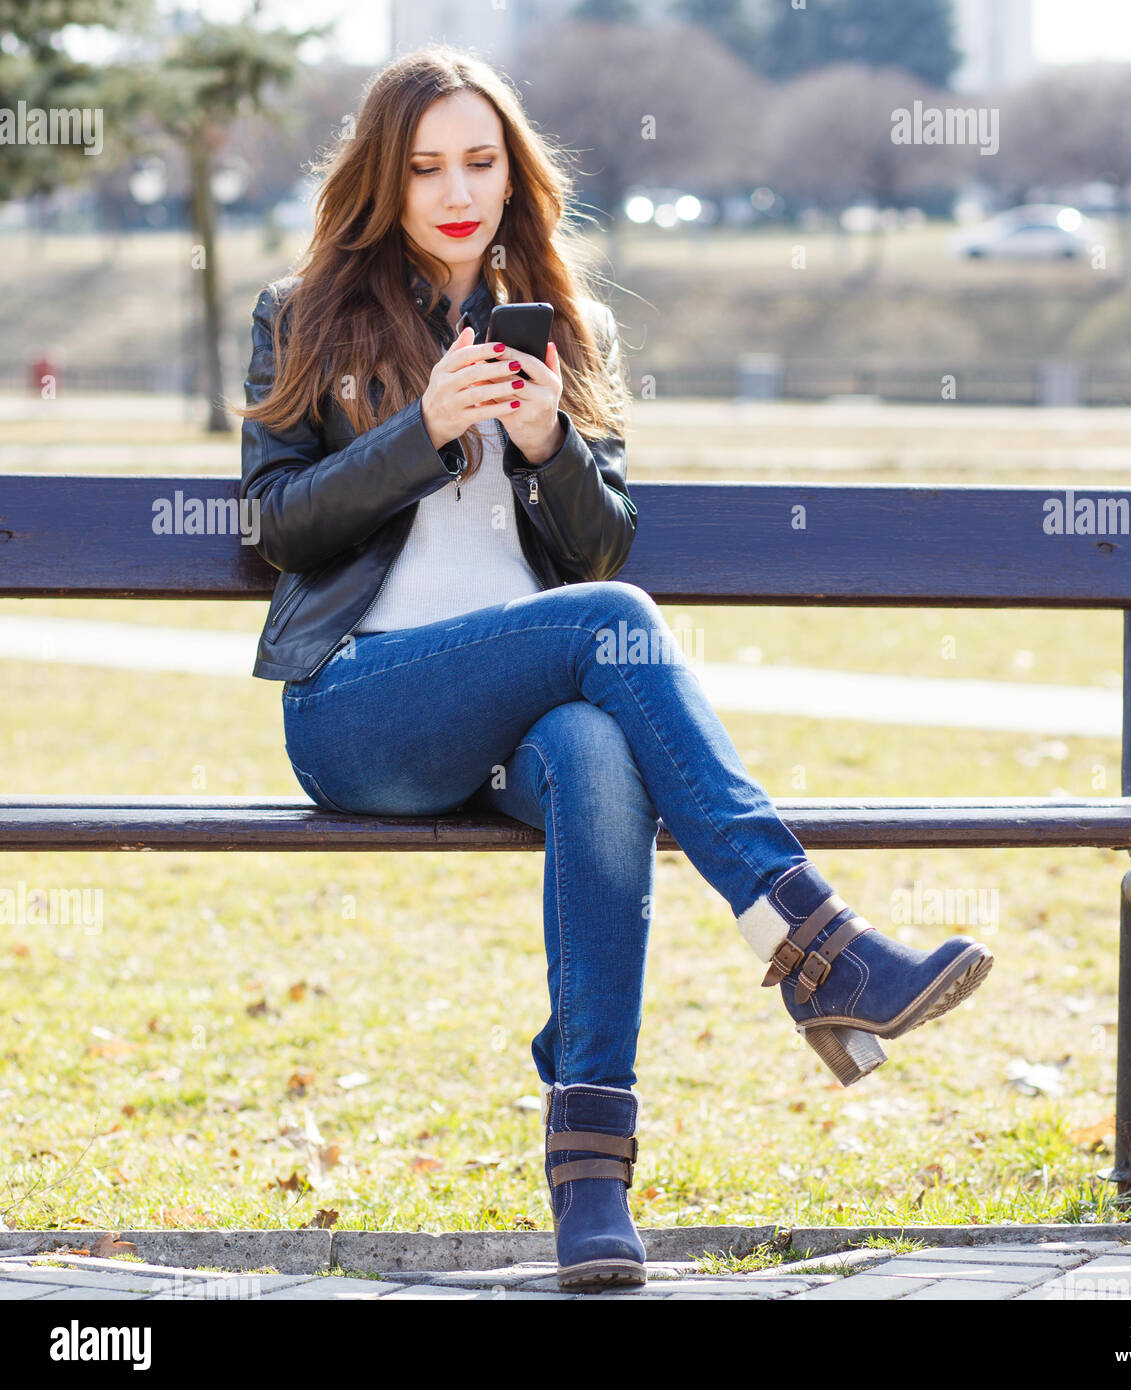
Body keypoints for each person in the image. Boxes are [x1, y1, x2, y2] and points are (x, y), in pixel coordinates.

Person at [236, 44, 993, 1294]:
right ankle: (819, 944)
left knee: (596, 752)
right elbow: (275, 527)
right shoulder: (300, 312)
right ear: (384, 178)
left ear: (513, 171)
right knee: (611, 622)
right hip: (363, 707)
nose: (455, 189)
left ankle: (592, 1177)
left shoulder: (565, 322)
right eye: (424, 166)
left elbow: (598, 544)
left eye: (479, 160)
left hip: (526, 728)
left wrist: (546, 447)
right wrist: (419, 430)